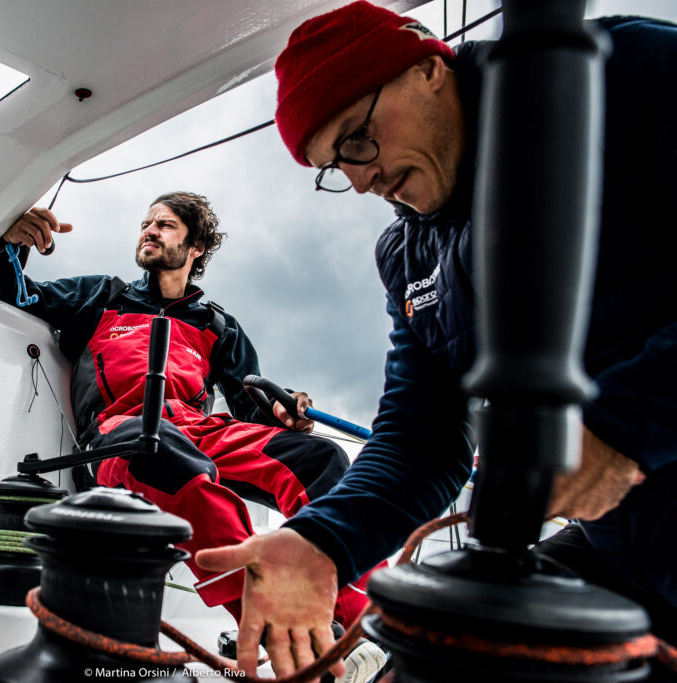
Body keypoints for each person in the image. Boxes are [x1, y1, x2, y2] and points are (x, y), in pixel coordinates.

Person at [195, 2, 677, 680]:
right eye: (335, 165)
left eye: (355, 139)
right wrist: (320, 539)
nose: (360, 178)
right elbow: (422, 439)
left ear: (426, 68)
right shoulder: (408, 255)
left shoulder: (622, 73)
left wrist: (621, 429)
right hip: (629, 559)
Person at [0, 191, 380, 626]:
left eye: (164, 225)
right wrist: (11, 244)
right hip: (119, 439)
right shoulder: (99, 296)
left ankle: (361, 627)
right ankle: (276, 622)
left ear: (196, 247)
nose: (149, 230)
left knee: (324, 459)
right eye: (146, 224)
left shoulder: (217, 325)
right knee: (160, 446)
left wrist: (285, 412)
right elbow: (10, 294)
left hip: (200, 434)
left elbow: (252, 407)